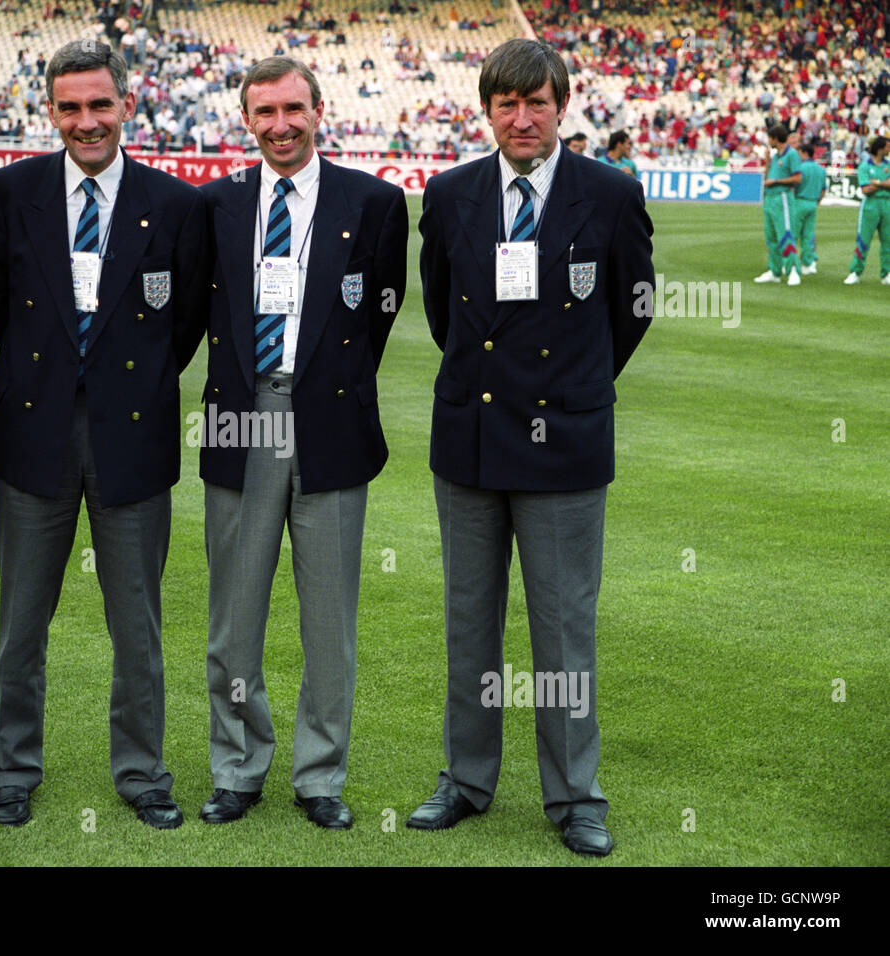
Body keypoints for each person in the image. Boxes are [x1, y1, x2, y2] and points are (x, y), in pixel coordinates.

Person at [412, 38, 653, 857]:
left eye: (537, 103)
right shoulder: (448, 195)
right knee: (469, 624)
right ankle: (467, 780)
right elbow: (443, 314)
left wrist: (579, 385)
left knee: (561, 632)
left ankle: (575, 796)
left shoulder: (612, 195)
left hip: (565, 447)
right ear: (487, 110)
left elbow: (634, 308)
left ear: (562, 106)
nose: (522, 118)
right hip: (471, 439)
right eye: (506, 105)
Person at [0, 40, 206, 830]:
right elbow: (2, 313)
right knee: (21, 621)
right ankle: (9, 768)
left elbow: (183, 328)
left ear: (127, 106)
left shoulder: (176, 204)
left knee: (136, 626)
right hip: (32, 433)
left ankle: (142, 773)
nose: (86, 121)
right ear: (50, 111)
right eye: (70, 107)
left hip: (132, 439)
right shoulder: (7, 196)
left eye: (100, 104)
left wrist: (123, 384)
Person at [195, 56, 408, 831]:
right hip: (240, 422)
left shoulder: (375, 202)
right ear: (245, 121)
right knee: (233, 622)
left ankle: (321, 777)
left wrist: (326, 387)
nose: (280, 126)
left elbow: (376, 316)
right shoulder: (214, 204)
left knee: (329, 625)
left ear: (319, 110)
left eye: (293, 109)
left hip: (330, 423)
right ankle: (237, 767)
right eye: (264, 113)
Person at [754, 124, 803, 286]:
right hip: (770, 198)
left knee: (786, 234)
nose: (768, 141)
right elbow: (768, 177)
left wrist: (776, 181)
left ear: (775, 139)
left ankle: (793, 270)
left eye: (769, 138)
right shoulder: (776, 157)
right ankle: (774, 271)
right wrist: (767, 161)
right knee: (771, 236)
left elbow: (797, 178)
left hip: (782, 197)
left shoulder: (792, 155)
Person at [843, 135, 890, 285]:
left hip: (887, 204)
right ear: (880, 148)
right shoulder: (865, 166)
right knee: (863, 240)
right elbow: (865, 189)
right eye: (888, 147)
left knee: (888, 242)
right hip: (870, 205)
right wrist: (883, 183)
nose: (889, 149)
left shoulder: (888, 165)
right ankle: (855, 272)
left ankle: (886, 273)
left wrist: (876, 182)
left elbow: (875, 186)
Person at [794, 142, 826, 275]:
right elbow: (824, 190)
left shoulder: (800, 168)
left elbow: (794, 186)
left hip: (799, 202)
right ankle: (808, 264)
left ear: (805, 153)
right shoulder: (820, 169)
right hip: (812, 203)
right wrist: (817, 201)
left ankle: (789, 263)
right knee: (808, 235)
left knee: (792, 234)